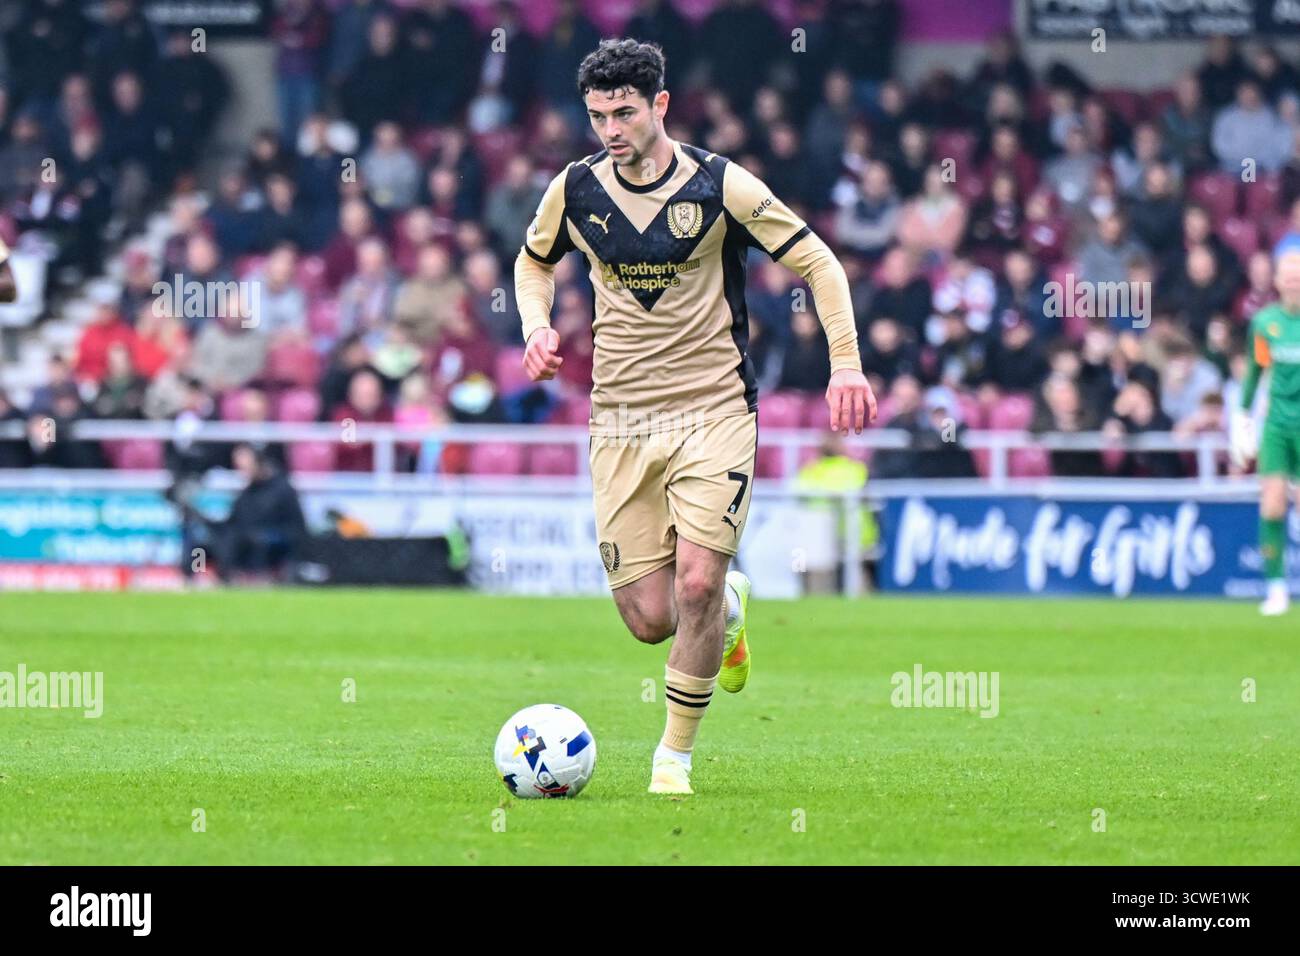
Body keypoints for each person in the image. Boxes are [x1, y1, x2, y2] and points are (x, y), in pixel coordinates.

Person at [514, 39, 875, 795]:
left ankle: (672, 759)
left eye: (623, 112)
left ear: (660, 106)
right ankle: (730, 613)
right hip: (618, 421)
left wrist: (845, 362)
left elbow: (820, 263)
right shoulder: (574, 190)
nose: (610, 129)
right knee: (650, 618)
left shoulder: (719, 185)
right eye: (596, 115)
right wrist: (535, 325)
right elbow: (532, 260)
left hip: (714, 409)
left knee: (698, 582)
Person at [1231, 247, 1300, 616]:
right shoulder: (1265, 323)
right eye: (1288, 275)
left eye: (1298, 275)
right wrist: (1242, 416)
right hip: (1276, 423)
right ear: (1276, 282)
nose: (1294, 281)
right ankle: (1276, 588)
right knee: (1271, 503)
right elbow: (1256, 372)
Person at [179, 444, 306, 583]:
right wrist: (203, 520)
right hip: (240, 539)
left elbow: (295, 527)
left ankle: (236, 578)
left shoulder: (282, 490)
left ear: (258, 462)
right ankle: (197, 576)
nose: (242, 471)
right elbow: (232, 521)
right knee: (199, 542)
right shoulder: (247, 492)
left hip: (268, 542)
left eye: (245, 465)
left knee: (241, 541)